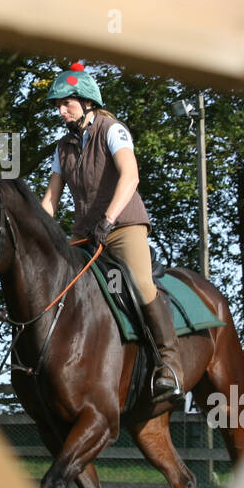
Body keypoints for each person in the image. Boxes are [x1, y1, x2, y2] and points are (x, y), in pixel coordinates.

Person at [39, 62, 184, 402]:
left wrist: (107, 219)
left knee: (140, 281)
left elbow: (130, 177)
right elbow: (50, 199)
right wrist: (42, 234)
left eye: (66, 104)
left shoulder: (112, 130)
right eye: (58, 106)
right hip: (84, 234)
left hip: (122, 227)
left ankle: (169, 363)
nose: (61, 111)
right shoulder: (63, 148)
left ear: (87, 102)